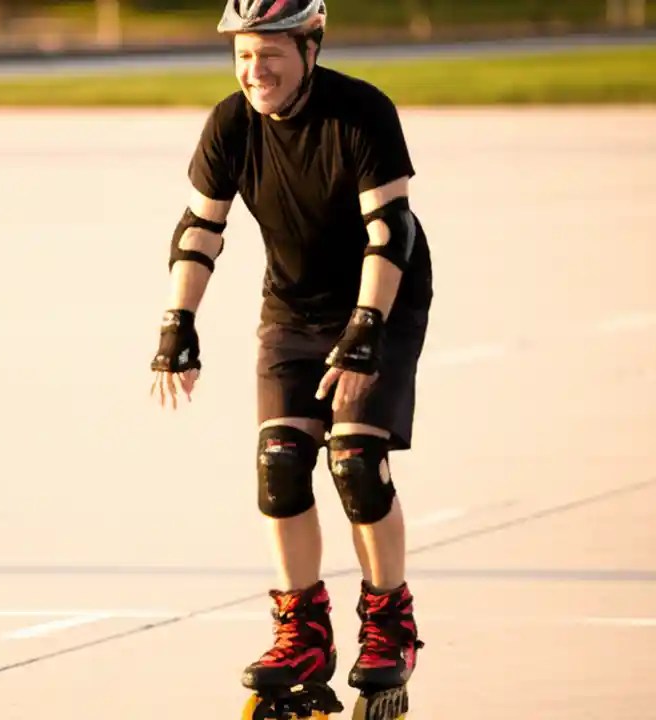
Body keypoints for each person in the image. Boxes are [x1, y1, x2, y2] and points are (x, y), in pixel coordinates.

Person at [148, 0, 433, 713]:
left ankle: (388, 619)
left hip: (382, 302)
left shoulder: (360, 113)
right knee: (279, 466)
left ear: (310, 47)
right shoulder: (230, 124)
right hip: (293, 310)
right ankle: (302, 627)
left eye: (269, 54)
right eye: (243, 56)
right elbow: (199, 229)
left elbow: (390, 232)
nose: (254, 71)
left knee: (356, 466)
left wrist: (366, 326)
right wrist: (177, 320)